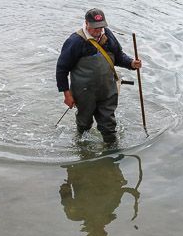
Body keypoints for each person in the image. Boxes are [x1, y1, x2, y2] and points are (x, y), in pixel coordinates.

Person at [56, 8, 141, 144]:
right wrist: (67, 94)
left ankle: (112, 153)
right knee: (84, 124)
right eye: (95, 28)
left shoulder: (107, 35)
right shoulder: (75, 41)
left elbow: (118, 56)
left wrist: (131, 63)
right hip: (84, 93)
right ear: (86, 23)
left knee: (109, 126)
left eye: (101, 27)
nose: (98, 31)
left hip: (107, 90)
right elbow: (61, 69)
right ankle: (82, 152)